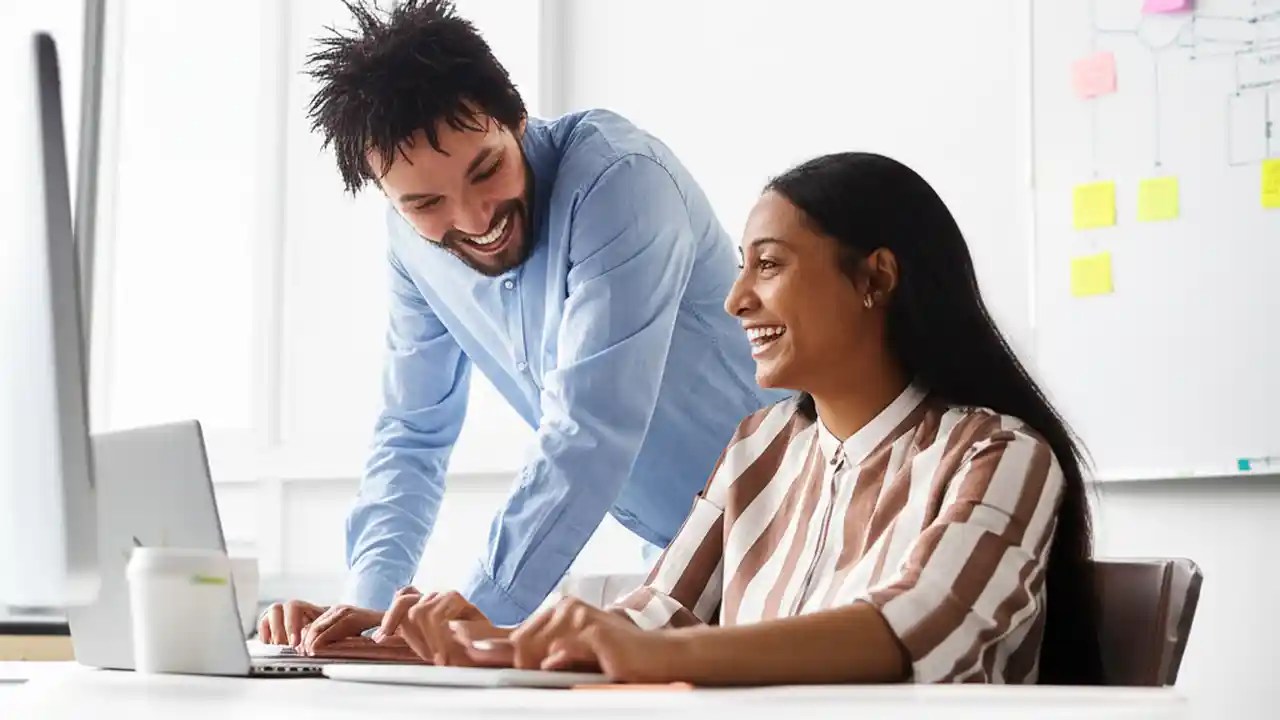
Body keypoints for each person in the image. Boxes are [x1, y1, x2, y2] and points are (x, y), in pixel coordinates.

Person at [379, 152, 1104, 684]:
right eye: (741, 266)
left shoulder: (1000, 454)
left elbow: (917, 631)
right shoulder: (759, 449)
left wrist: (666, 657)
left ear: (875, 278)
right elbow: (656, 615)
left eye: (770, 265)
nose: (736, 301)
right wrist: (488, 642)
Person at [257, 0, 787, 648]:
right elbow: (411, 433)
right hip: (689, 564)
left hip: (808, 533)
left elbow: (589, 431)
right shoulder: (412, 247)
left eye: (487, 169)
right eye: (425, 202)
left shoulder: (622, 183)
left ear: (515, 114)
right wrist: (357, 623)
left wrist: (462, 624)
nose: (476, 219)